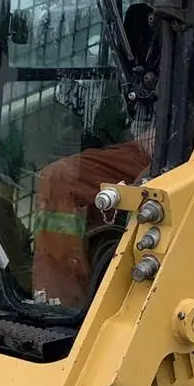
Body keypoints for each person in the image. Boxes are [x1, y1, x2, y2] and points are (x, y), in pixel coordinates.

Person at [30, 130, 151, 308]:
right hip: (152, 141)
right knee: (58, 180)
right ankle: (59, 299)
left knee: (59, 180)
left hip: (169, 147)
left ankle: (62, 300)